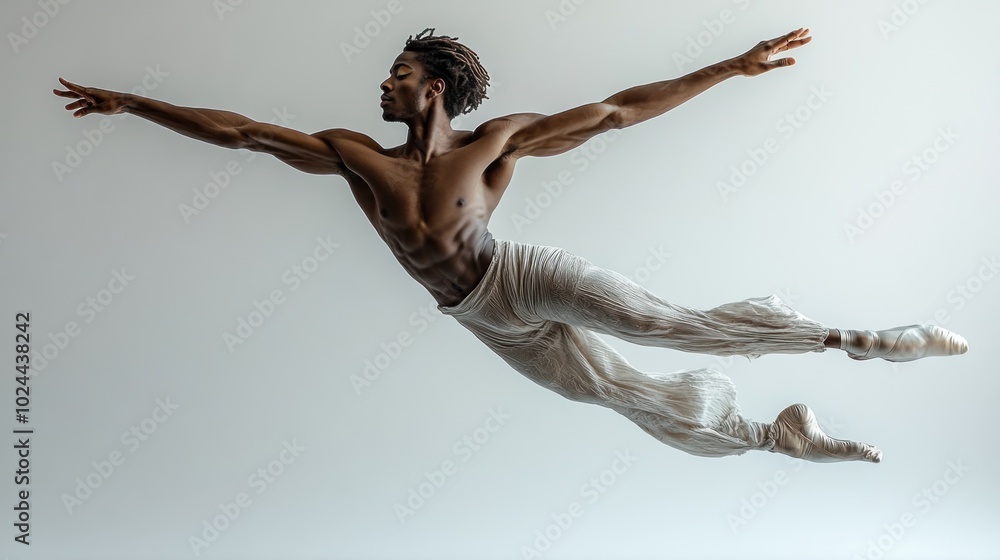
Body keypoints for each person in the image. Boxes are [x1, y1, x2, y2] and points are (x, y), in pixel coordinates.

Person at [54, 27, 967, 463]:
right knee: (614, 392)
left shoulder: (495, 145)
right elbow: (245, 133)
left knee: (660, 324)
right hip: (477, 318)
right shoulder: (356, 157)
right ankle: (778, 434)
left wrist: (728, 68)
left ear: (438, 87)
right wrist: (135, 103)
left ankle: (856, 340)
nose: (384, 81)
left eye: (399, 74)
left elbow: (615, 111)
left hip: (521, 276)